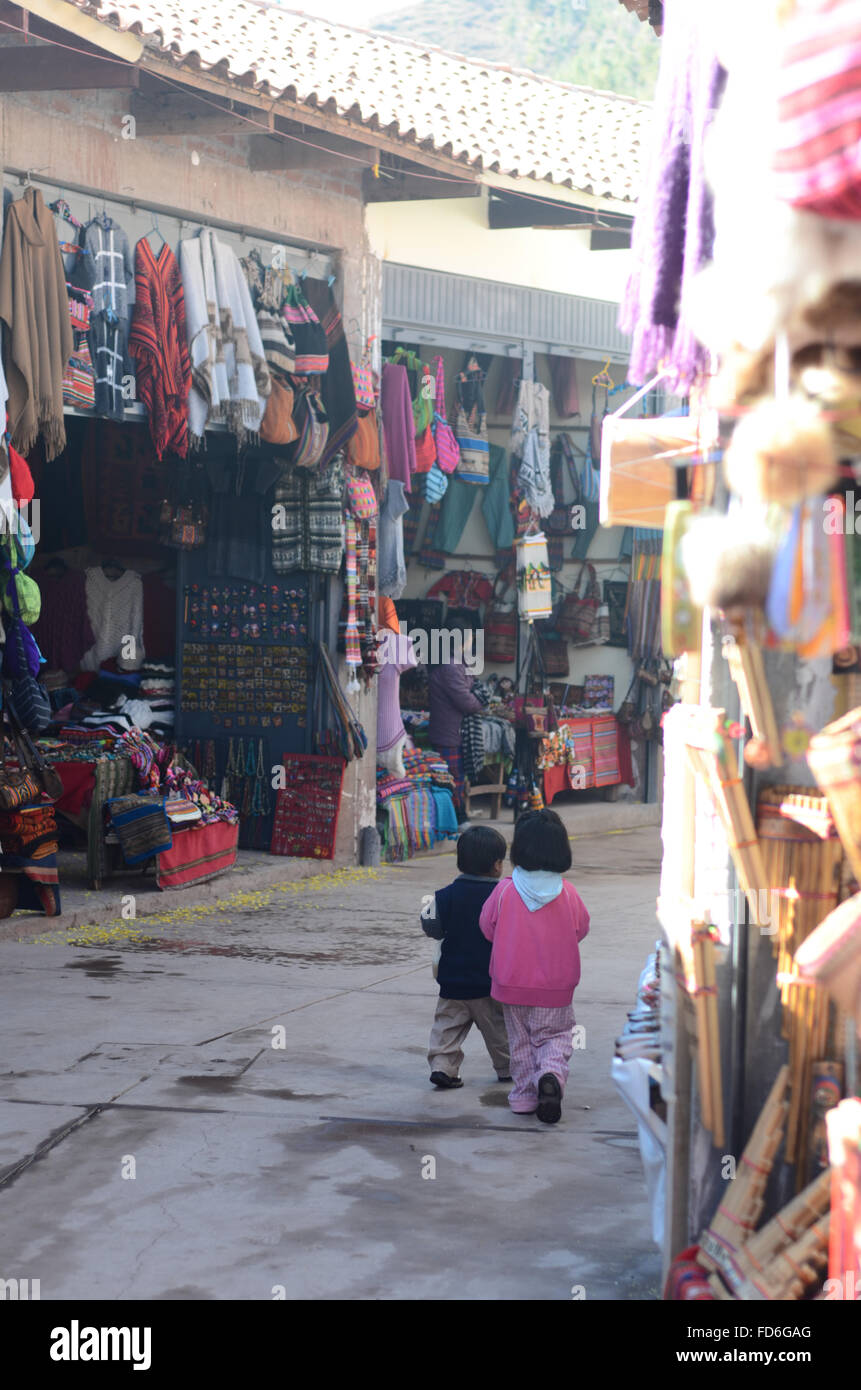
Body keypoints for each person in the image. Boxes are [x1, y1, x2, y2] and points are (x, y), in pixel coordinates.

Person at [479, 808, 589, 1124]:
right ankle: (551, 1075)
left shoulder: (504, 890)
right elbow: (581, 928)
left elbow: (486, 927)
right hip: (556, 986)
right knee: (555, 1035)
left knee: (521, 1041)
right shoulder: (568, 893)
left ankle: (524, 1098)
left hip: (510, 984)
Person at [421, 824, 511, 1090]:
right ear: (497, 865)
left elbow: (430, 925)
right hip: (489, 983)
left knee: (446, 1029)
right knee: (499, 1031)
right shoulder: (504, 896)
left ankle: (443, 1067)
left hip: (453, 982)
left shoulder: (445, 896)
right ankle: (508, 1068)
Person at [427, 632, 483, 820]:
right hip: (448, 733)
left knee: (455, 777)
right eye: (469, 639)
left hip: (453, 731)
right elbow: (467, 702)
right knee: (451, 778)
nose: (472, 642)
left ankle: (456, 816)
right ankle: (454, 818)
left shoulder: (458, 664)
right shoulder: (450, 667)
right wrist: (481, 700)